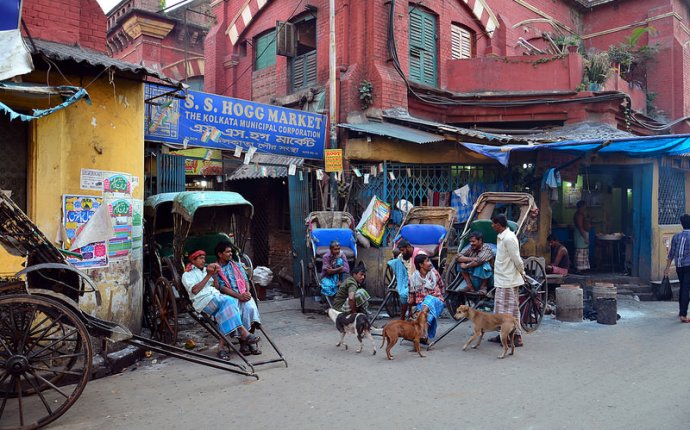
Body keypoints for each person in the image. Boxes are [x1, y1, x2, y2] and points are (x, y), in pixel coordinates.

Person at [181, 250, 259, 360]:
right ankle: (243, 332)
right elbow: (195, 290)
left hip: (216, 297)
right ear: (193, 260)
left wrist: (215, 275)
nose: (204, 261)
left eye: (204, 258)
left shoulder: (206, 270)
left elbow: (216, 287)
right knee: (229, 302)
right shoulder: (187, 274)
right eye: (201, 258)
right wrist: (208, 275)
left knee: (226, 310)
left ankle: (221, 348)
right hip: (203, 301)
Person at [215, 241, 262, 355]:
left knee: (250, 308)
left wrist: (247, 292)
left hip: (243, 294)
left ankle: (248, 342)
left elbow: (246, 280)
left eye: (231, 251)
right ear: (220, 254)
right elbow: (221, 287)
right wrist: (238, 296)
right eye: (228, 252)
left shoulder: (237, 265)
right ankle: (243, 342)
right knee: (237, 311)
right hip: (229, 296)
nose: (231, 254)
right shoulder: (216, 268)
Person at [489, 214, 524, 347]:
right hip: (501, 279)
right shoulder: (501, 237)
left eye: (493, 224)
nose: (492, 226)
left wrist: (522, 272)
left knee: (511, 311)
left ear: (499, 224)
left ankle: (516, 337)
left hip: (509, 280)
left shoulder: (509, 238)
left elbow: (517, 259)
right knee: (500, 310)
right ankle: (502, 335)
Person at [409, 254, 446, 340]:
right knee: (426, 309)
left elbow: (442, 287)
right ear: (421, 265)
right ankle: (423, 334)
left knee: (430, 298)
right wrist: (410, 311)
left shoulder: (435, 273)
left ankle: (421, 332)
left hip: (437, 302)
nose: (430, 263)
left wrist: (439, 297)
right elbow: (411, 297)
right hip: (421, 305)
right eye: (427, 261)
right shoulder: (413, 278)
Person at [664, 214, 690, 323]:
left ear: (681, 224)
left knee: (683, 287)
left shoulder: (676, 237)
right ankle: (683, 315)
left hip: (679, 267)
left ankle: (681, 311)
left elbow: (671, 254)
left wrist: (667, 268)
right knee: (685, 288)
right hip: (689, 266)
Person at [397, 239, 427, 319]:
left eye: (403, 250)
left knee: (403, 295)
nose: (402, 252)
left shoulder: (420, 254)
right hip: (408, 281)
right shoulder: (402, 256)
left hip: (420, 281)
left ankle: (402, 317)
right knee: (403, 291)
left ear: (408, 247)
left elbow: (425, 271)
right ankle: (408, 313)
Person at [573, 200, 591, 273]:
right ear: (582, 206)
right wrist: (585, 237)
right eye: (584, 206)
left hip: (582, 234)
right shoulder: (579, 215)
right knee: (580, 251)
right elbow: (580, 227)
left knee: (583, 251)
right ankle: (579, 269)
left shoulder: (581, 214)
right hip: (580, 235)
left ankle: (582, 268)